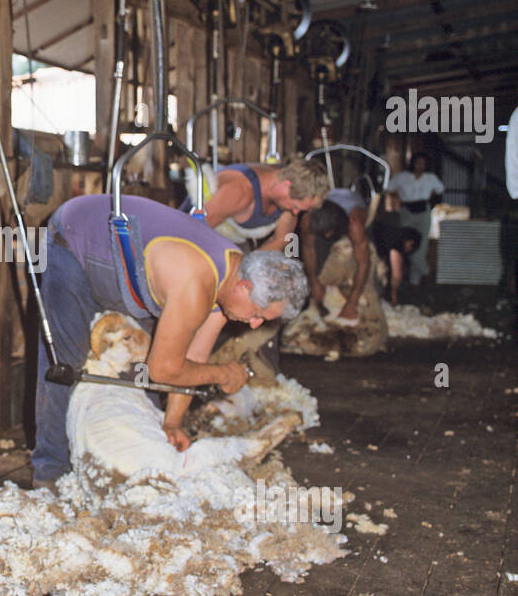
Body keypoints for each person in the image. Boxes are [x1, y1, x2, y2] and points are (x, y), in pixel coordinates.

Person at [32, 194, 309, 484]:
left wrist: (172, 422)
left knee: (142, 360)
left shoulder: (232, 274)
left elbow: (193, 357)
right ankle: (50, 473)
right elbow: (163, 370)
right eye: (258, 313)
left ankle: (147, 446)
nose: (254, 323)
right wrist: (222, 373)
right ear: (244, 286)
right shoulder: (195, 285)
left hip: (127, 252)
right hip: (77, 237)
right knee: (65, 365)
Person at [180, 157, 329, 250]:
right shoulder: (240, 191)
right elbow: (191, 232)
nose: (295, 213)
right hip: (186, 234)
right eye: (296, 207)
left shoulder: (293, 190)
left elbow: (281, 239)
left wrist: (248, 268)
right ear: (285, 186)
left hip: (232, 245)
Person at [300, 187, 371, 328]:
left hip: (349, 214)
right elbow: (308, 248)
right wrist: (313, 281)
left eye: (329, 234)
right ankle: (317, 301)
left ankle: (367, 297)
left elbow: (364, 264)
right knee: (317, 274)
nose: (327, 237)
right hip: (329, 215)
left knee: (366, 267)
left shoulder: (355, 223)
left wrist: (352, 303)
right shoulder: (307, 220)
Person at [389, 154, 444, 283]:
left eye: (423, 163)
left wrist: (430, 195)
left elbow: (440, 189)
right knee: (408, 245)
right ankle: (427, 272)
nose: (420, 166)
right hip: (407, 211)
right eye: (418, 163)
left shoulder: (430, 178)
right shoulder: (402, 177)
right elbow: (390, 189)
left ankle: (415, 281)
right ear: (412, 163)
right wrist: (399, 197)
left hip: (423, 211)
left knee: (421, 246)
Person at [370, 223, 421, 305]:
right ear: (410, 242)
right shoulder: (397, 244)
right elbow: (396, 276)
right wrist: (394, 295)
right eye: (411, 248)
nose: (408, 251)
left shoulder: (393, 232)